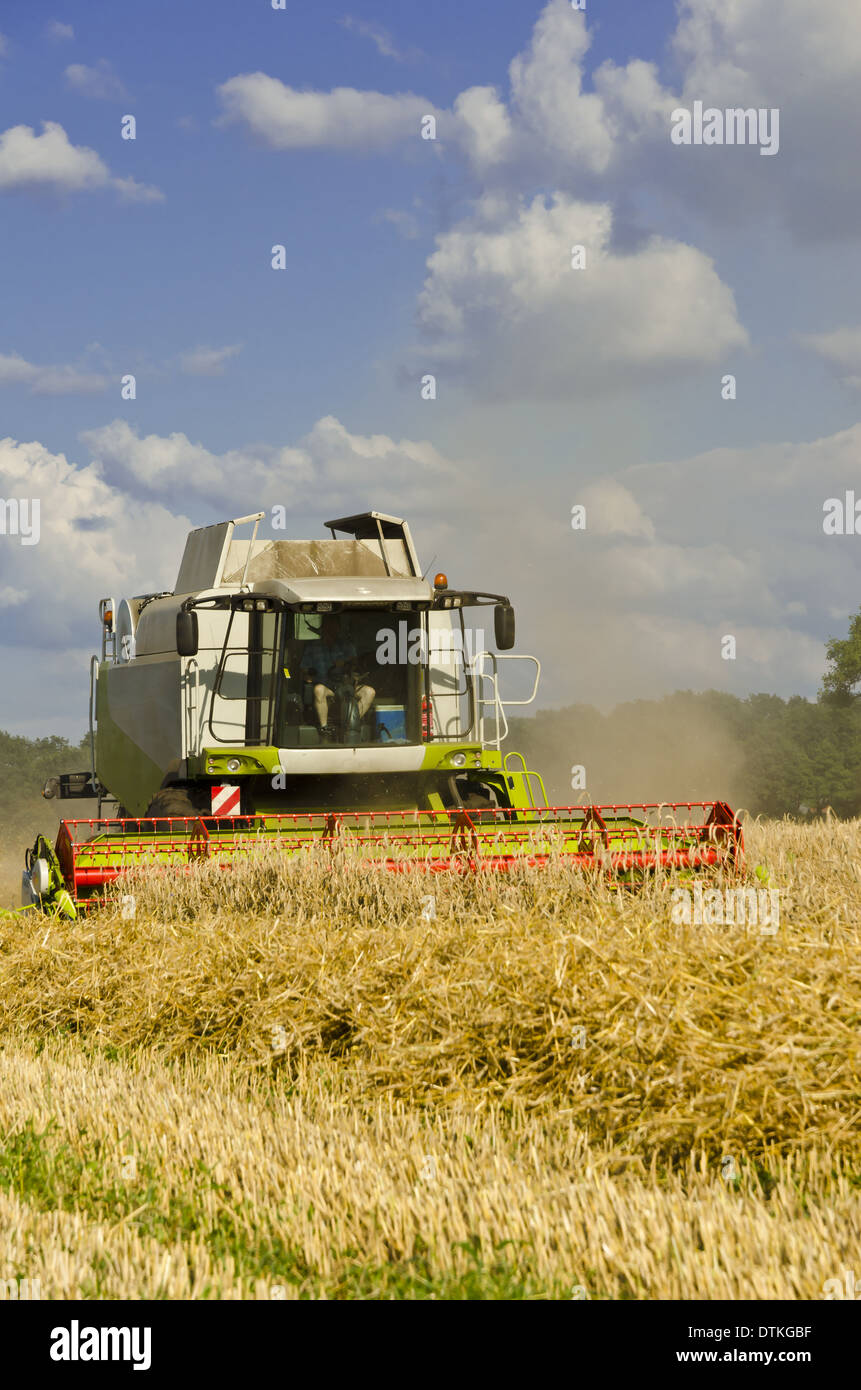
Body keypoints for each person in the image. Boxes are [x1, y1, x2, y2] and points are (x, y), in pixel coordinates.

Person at [299, 614, 375, 740]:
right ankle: (324, 729)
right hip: (327, 687)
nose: (331, 629)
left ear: (339, 628)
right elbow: (303, 668)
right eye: (328, 625)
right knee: (318, 690)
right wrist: (308, 676)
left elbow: (356, 664)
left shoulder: (347, 645)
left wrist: (346, 664)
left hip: (347, 687)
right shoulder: (312, 646)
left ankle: (351, 723)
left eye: (334, 626)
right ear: (323, 627)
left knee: (369, 692)